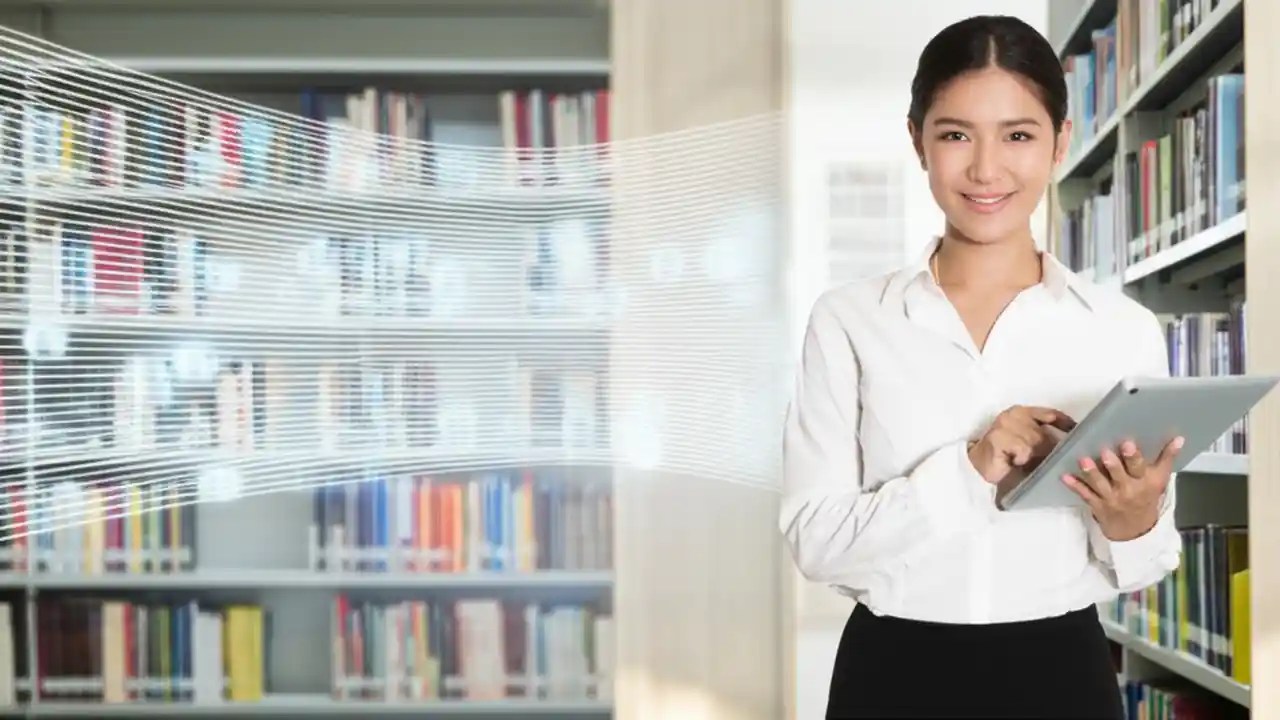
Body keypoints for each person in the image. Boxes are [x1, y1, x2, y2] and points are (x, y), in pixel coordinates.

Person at [780, 14, 1184, 720]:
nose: (987, 170)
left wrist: (1134, 520)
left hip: (1062, 674)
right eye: (956, 135)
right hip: (893, 673)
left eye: (1018, 135)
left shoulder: (1123, 332)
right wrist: (971, 469)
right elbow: (817, 543)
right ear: (918, 141)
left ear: (1060, 141)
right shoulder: (849, 320)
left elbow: (1144, 565)